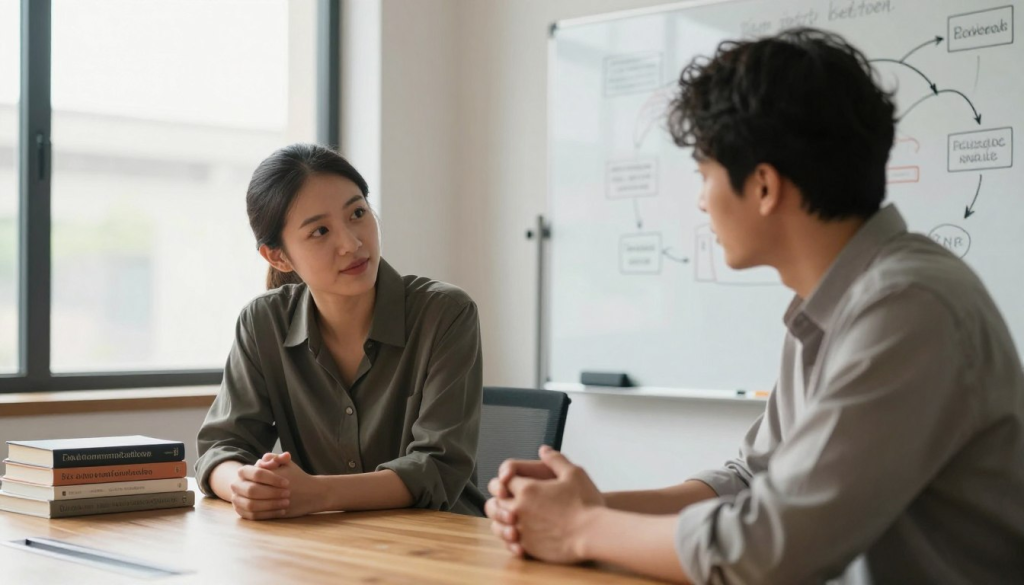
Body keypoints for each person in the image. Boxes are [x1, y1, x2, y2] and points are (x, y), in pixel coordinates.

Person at [486, 28, 1024, 583]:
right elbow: (753, 478)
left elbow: (770, 549)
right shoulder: (832, 300)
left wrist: (581, 528)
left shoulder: (908, 309)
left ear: (764, 187)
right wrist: (594, 506)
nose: (700, 200)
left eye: (705, 175)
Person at [195, 143, 486, 520]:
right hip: (326, 547)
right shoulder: (263, 323)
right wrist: (246, 486)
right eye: (320, 231)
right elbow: (222, 447)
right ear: (278, 256)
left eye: (358, 213)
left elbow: (437, 469)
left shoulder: (445, 314)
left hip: (441, 549)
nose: (352, 243)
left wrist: (316, 493)